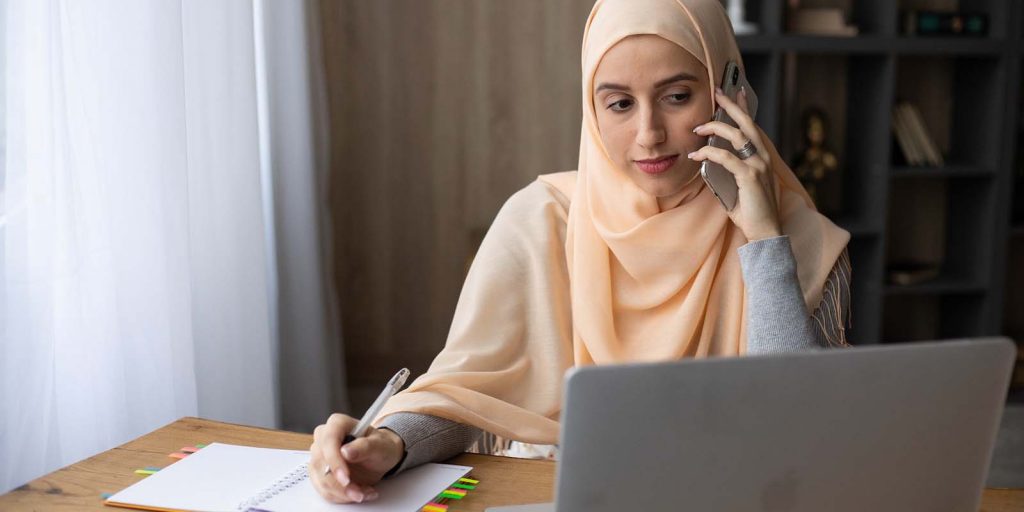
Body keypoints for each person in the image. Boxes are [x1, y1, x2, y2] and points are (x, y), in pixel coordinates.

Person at [309, 0, 851, 504]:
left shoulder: (800, 243)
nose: (648, 134)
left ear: (730, 91)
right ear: (591, 111)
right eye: (619, 103)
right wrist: (387, 443)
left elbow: (798, 435)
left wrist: (762, 238)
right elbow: (471, 397)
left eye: (678, 96)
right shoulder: (542, 219)